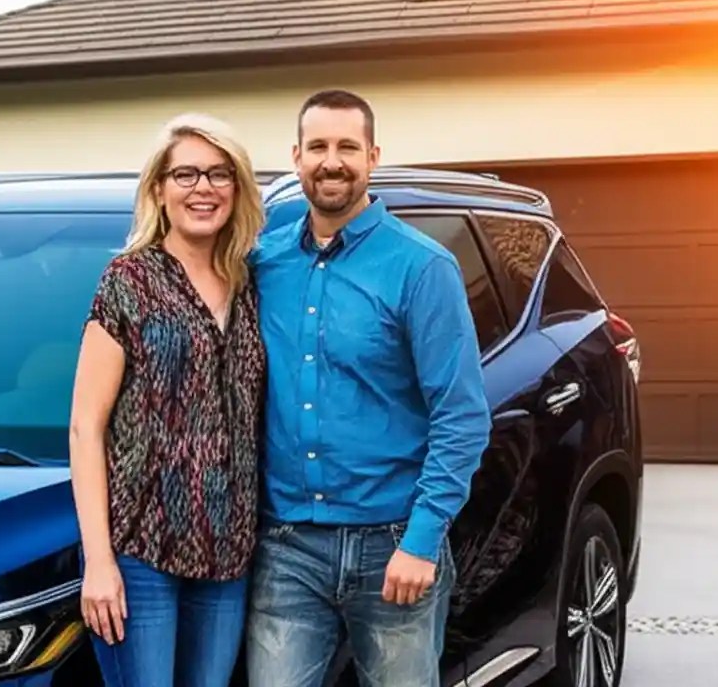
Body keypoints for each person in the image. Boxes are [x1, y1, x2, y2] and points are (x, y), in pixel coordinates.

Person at [245, 89, 493, 687]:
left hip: (394, 545)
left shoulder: (421, 268)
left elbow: (461, 415)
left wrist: (422, 541)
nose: (332, 161)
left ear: (372, 157)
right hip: (286, 549)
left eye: (347, 147)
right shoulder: (262, 263)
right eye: (317, 147)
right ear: (296, 158)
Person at [68, 113, 267, 687]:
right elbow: (86, 426)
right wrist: (99, 561)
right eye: (186, 174)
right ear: (159, 188)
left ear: (238, 188)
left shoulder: (252, 283)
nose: (203, 188)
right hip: (140, 551)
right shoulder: (128, 281)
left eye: (219, 174)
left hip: (228, 553)